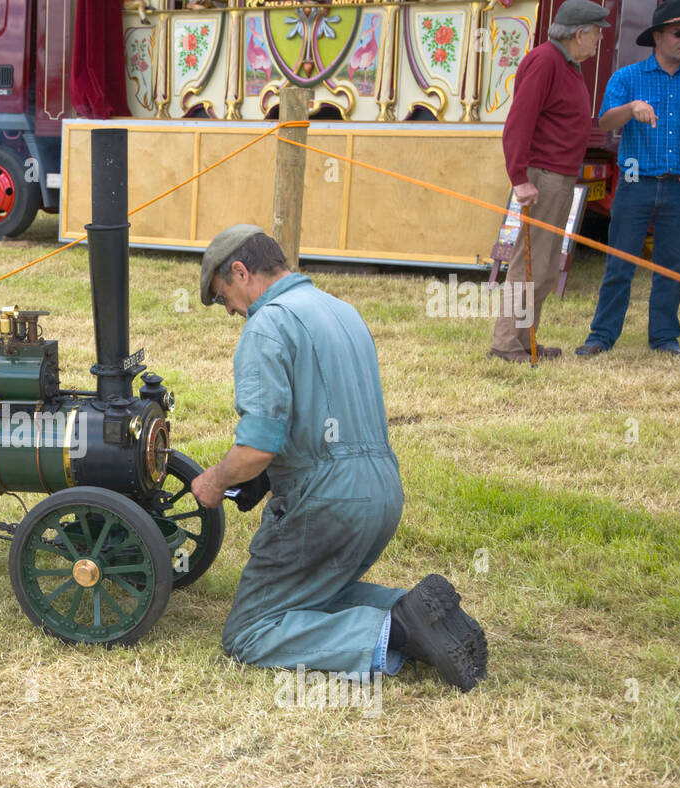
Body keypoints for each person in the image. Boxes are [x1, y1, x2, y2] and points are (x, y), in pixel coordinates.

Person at [192, 224, 488, 691]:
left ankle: (398, 630)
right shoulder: (341, 310)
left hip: (328, 503)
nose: (228, 309)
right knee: (310, 593)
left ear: (241, 271)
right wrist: (270, 477)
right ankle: (417, 613)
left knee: (250, 631)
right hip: (383, 491)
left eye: (222, 294)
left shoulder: (267, 324)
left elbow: (256, 447)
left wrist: (214, 481)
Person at [490, 0, 611, 363]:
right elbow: (518, 123)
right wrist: (520, 178)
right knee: (530, 264)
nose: (599, 40)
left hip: (557, 178)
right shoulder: (546, 61)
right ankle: (507, 342)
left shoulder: (566, 64)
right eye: (597, 33)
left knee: (542, 265)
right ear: (579, 33)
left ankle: (524, 339)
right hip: (542, 178)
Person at [576, 0, 680, 357]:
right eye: (678, 33)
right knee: (620, 262)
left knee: (672, 266)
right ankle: (601, 337)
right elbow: (605, 122)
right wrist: (631, 108)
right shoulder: (627, 77)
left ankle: (665, 338)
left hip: (678, 186)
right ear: (657, 37)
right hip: (635, 183)